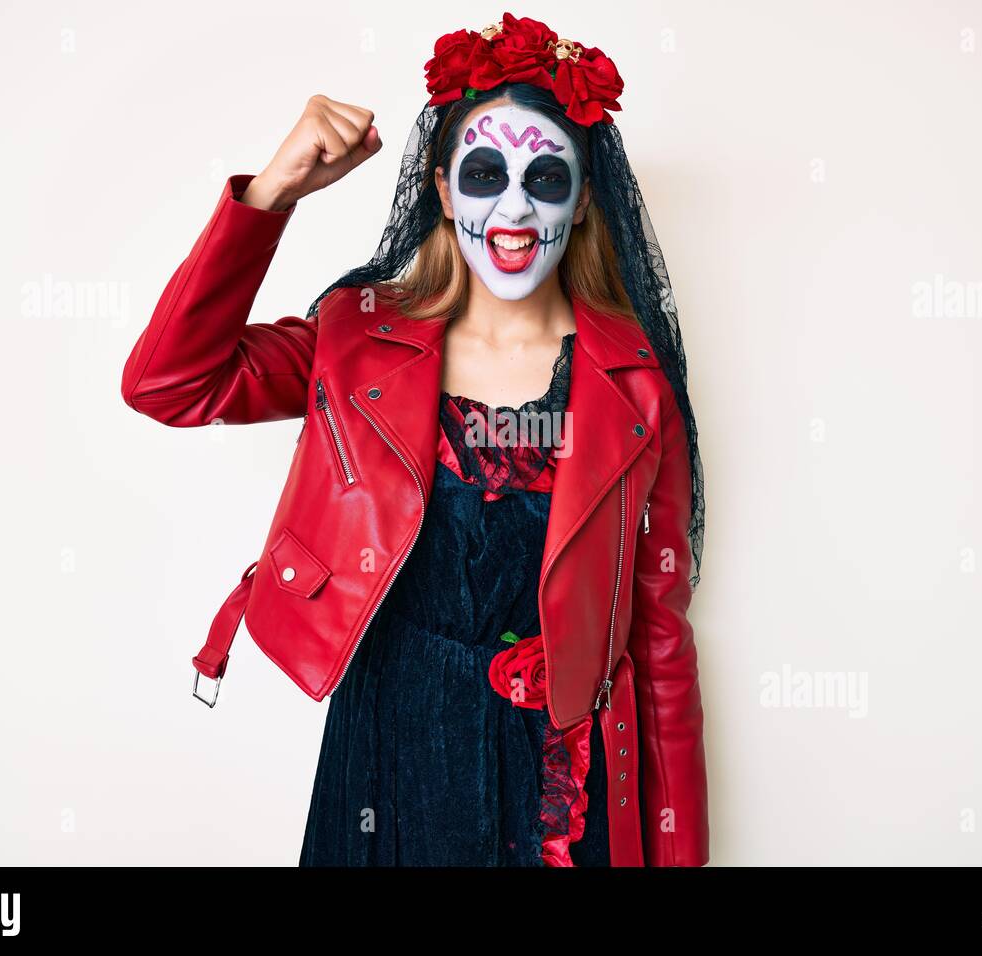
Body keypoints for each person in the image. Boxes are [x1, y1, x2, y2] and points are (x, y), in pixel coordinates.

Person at [121, 13, 709, 867]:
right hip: (386, 759)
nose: (513, 207)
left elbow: (660, 647)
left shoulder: (637, 388)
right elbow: (167, 384)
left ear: (583, 199)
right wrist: (269, 196)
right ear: (440, 190)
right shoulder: (355, 342)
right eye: (483, 173)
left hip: (558, 786)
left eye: (546, 177)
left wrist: (679, 858)